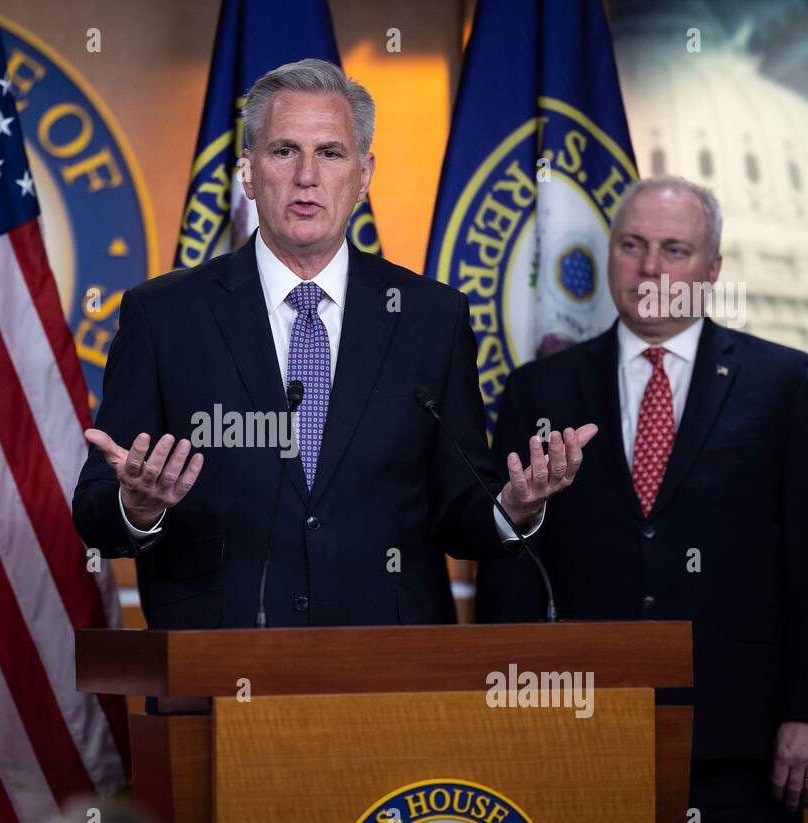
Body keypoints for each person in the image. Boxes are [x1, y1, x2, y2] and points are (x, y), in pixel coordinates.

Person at [73, 59, 596, 631]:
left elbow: (457, 510)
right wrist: (137, 508)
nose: (306, 177)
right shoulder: (164, 316)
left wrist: (513, 510)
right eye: (282, 151)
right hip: (218, 662)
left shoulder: (431, 317)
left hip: (386, 671)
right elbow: (97, 509)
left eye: (330, 153)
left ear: (364, 174)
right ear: (248, 172)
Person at [475, 176, 808, 823]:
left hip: (742, 746)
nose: (650, 268)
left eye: (675, 250)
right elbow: (510, 565)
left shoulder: (787, 385)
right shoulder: (542, 388)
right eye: (632, 245)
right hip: (579, 734)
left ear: (711, 269)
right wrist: (505, 710)